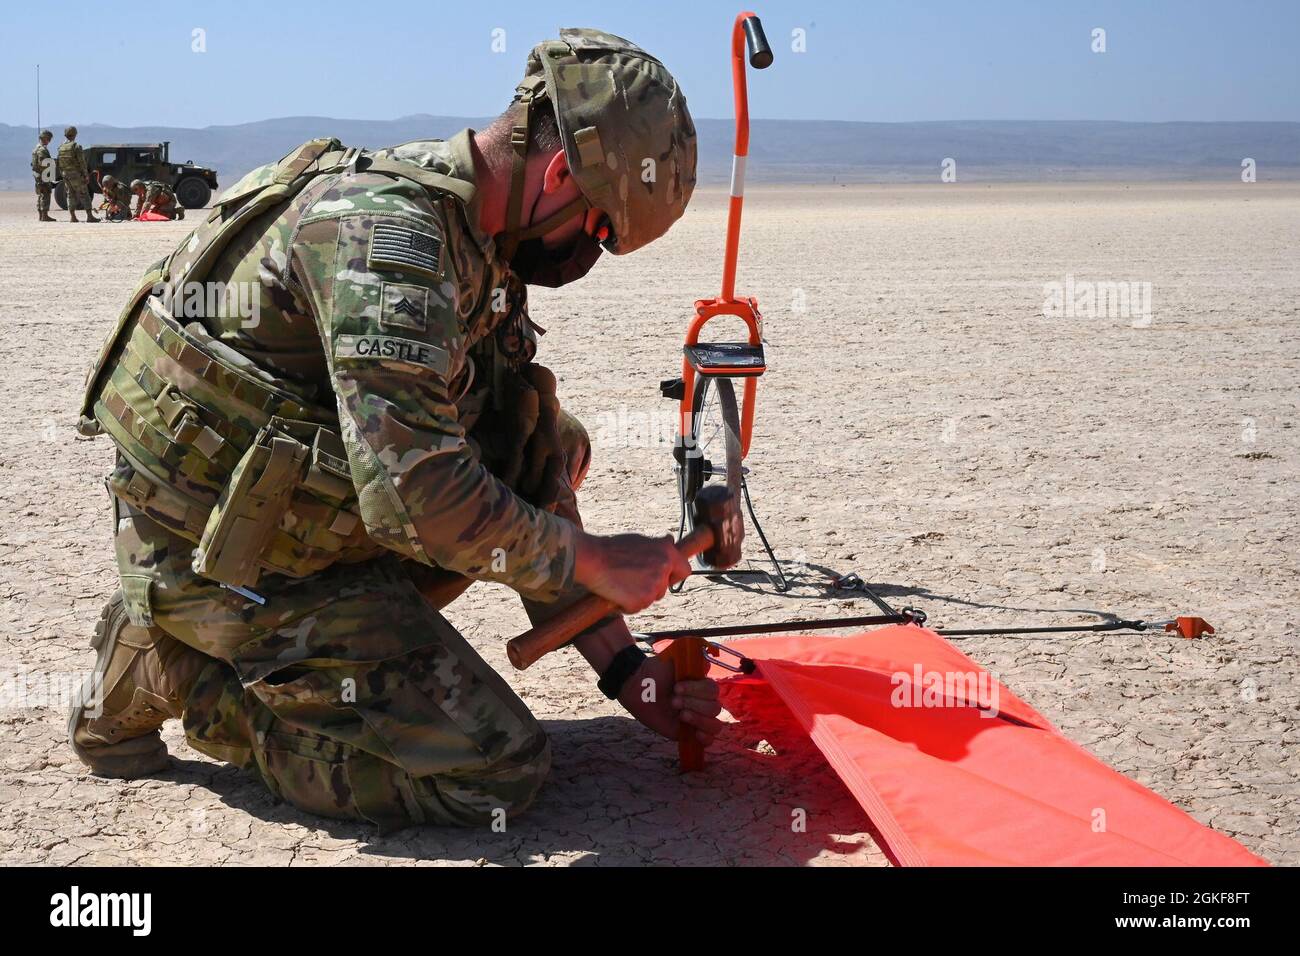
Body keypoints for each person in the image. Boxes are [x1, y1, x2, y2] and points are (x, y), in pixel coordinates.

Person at [70, 28, 710, 829]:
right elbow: (419, 497)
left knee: (549, 430)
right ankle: (186, 674)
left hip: (297, 528)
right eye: (601, 230)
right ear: (557, 174)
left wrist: (624, 670)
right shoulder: (387, 242)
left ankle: (216, 640)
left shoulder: (478, 241)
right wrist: (592, 560)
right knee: (494, 773)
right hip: (224, 556)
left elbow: (527, 458)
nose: (590, 253)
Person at [57, 126, 99, 223]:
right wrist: (85, 174)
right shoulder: (76, 146)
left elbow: (59, 163)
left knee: (70, 195)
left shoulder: (61, 147)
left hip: (65, 174)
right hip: (76, 174)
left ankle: (73, 217)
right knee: (84, 194)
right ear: (75, 134)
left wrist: (63, 173)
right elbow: (82, 162)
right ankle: (90, 216)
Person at [32, 130, 56, 222]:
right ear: (44, 138)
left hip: (38, 174)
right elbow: (43, 162)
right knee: (45, 194)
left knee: (41, 194)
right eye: (48, 139)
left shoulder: (36, 149)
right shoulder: (42, 150)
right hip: (43, 175)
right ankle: (44, 215)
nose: (49, 141)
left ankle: (41, 216)